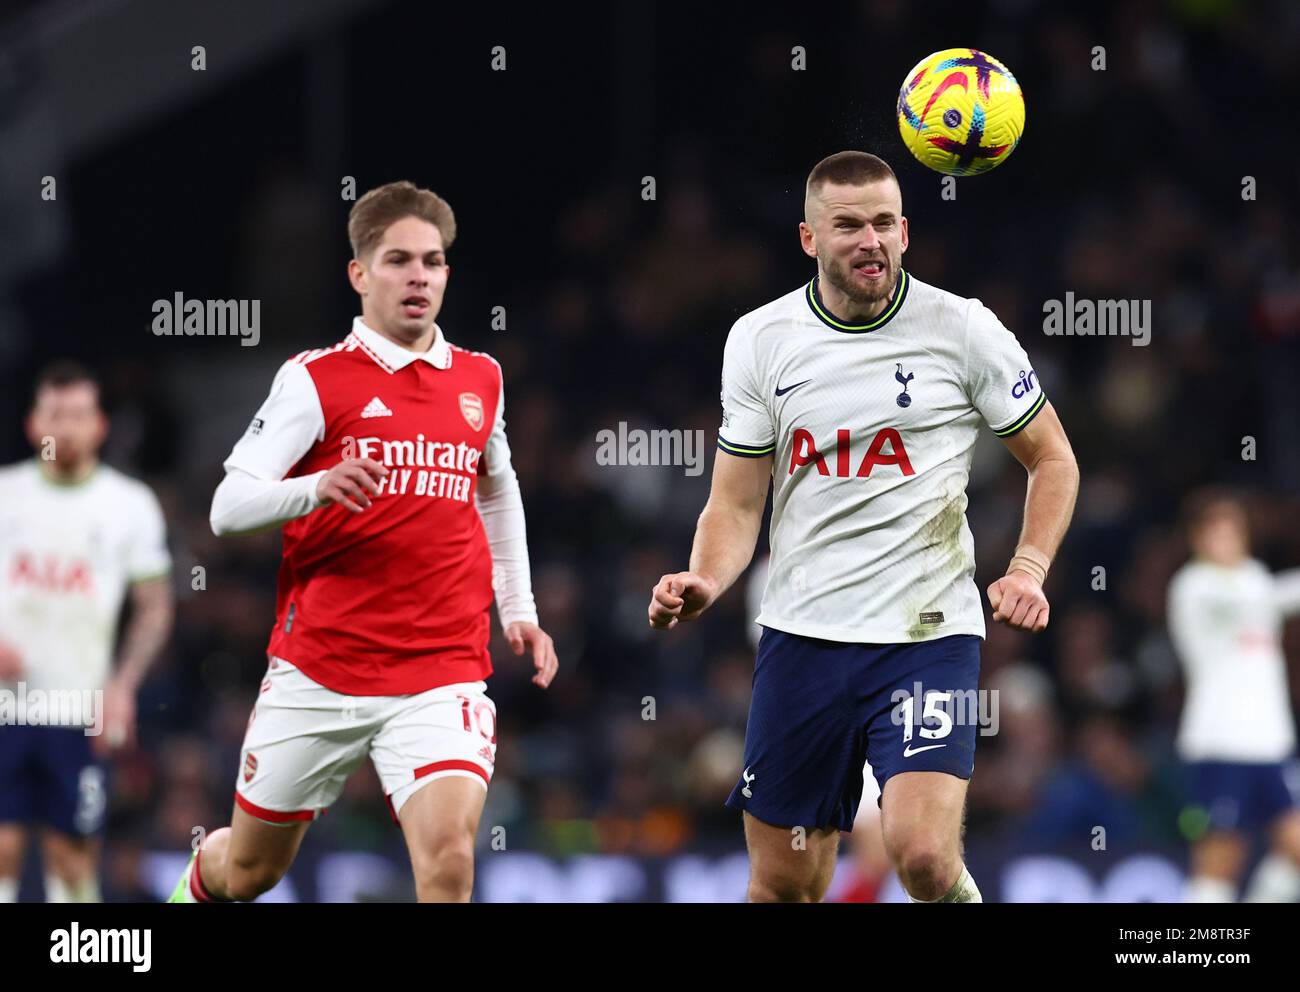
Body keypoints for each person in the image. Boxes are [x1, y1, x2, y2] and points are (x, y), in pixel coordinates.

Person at [648, 151, 1079, 903]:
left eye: (884, 222)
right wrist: (707, 579)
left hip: (926, 633)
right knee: (784, 883)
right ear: (810, 239)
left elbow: (1055, 459)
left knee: (923, 858)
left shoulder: (963, 329)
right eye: (847, 225)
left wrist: (1029, 567)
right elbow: (737, 501)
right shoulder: (760, 338)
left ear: (905, 231)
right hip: (802, 637)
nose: (869, 239)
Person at [168, 181, 557, 904]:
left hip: (441, 670)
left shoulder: (482, 378)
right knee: (251, 872)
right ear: (359, 274)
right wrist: (314, 488)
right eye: (398, 260)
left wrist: (519, 607)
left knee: (449, 862)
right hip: (323, 666)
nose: (418, 277)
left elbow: (496, 489)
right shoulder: (315, 380)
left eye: (433, 262)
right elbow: (226, 508)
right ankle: (196, 886)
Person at [0, 361, 174, 902]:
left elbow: (154, 606)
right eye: (56, 415)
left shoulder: (129, 505)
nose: (66, 428)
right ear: (34, 425)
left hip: (80, 710)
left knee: (72, 860)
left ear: (100, 424)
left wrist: (123, 683)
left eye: (78, 415)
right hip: (4, 706)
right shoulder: (6, 494)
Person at [1169, 491, 1300, 902]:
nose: (1224, 540)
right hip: (1220, 743)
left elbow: (1267, 595)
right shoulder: (1194, 586)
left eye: (1232, 530)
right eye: (1215, 532)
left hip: (1271, 743)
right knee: (1220, 859)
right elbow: (1268, 599)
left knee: (1294, 847)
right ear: (1198, 539)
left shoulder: (1255, 577)